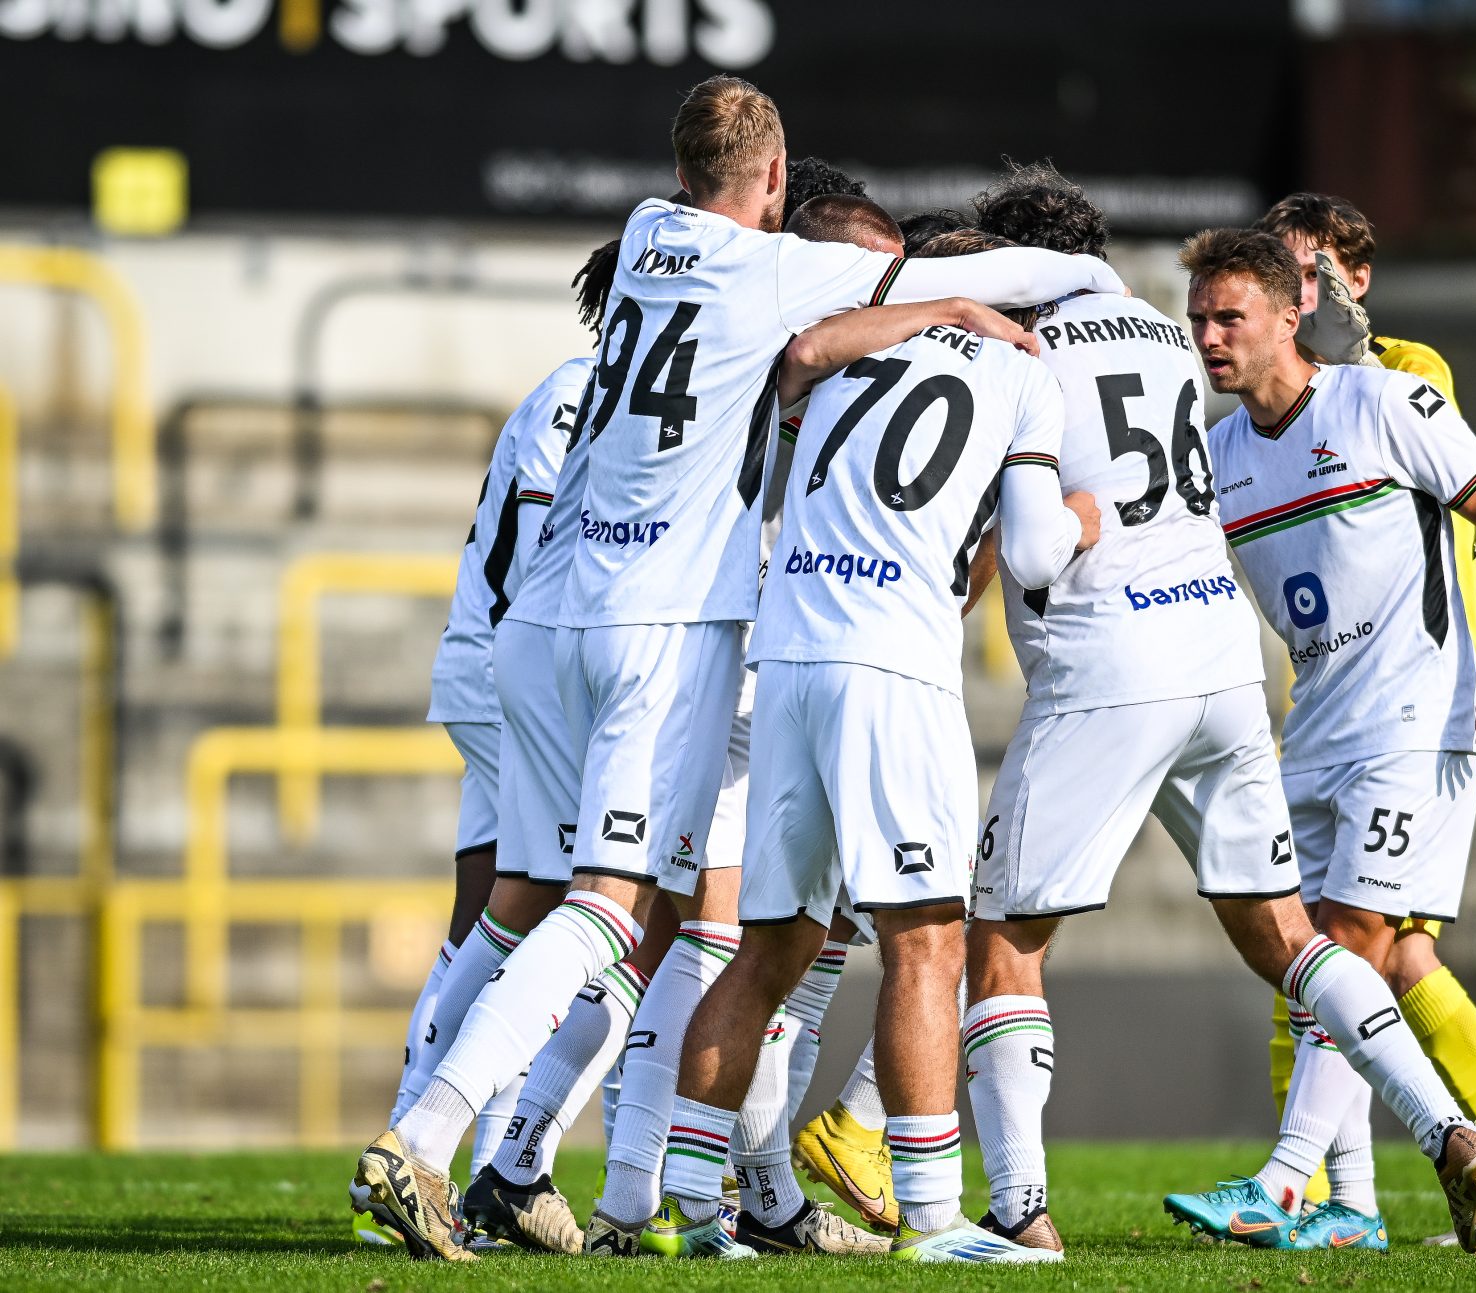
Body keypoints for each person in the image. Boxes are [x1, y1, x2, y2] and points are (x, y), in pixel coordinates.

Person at [352, 73, 1127, 1262]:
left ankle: (480, 1157)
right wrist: (1072, 291)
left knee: (529, 904)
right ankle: (432, 1146)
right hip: (656, 629)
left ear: (676, 176)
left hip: (542, 618)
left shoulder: (654, 242)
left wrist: (929, 321)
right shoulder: (768, 264)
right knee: (613, 913)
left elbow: (817, 345)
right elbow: (935, 289)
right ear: (774, 181)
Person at [625, 225, 1098, 1265]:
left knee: (770, 946)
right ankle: (932, 1222)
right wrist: (1081, 518)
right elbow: (1026, 553)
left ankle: (693, 1211)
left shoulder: (845, 343)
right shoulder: (1026, 376)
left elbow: (793, 373)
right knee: (925, 938)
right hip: (892, 665)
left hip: (786, 656)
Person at [1161, 227, 1476, 1252]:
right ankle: (1354, 1207)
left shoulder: (1384, 402)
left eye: (1227, 315)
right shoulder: (1220, 451)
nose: (1207, 335)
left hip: (1417, 720)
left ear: (1290, 316)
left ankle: (1286, 1183)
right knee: (1314, 968)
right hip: (1314, 724)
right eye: (1197, 317)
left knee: (1351, 948)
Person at [1256, 193, 1476, 1247]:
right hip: (1336, 714)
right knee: (1375, 961)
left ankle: (1310, 1194)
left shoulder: (1408, 373)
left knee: (1341, 957)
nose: (1301, 292)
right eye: (1285, 270)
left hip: (1419, 705)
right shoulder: (1263, 393)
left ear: (1354, 280)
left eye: (1316, 271)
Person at [350, 242, 607, 1250]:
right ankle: (465, 1162)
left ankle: (422, 1158)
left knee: (489, 921)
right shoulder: (585, 395)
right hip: (525, 678)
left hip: (497, 670)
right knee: (578, 922)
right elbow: (555, 553)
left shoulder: (585, 386)